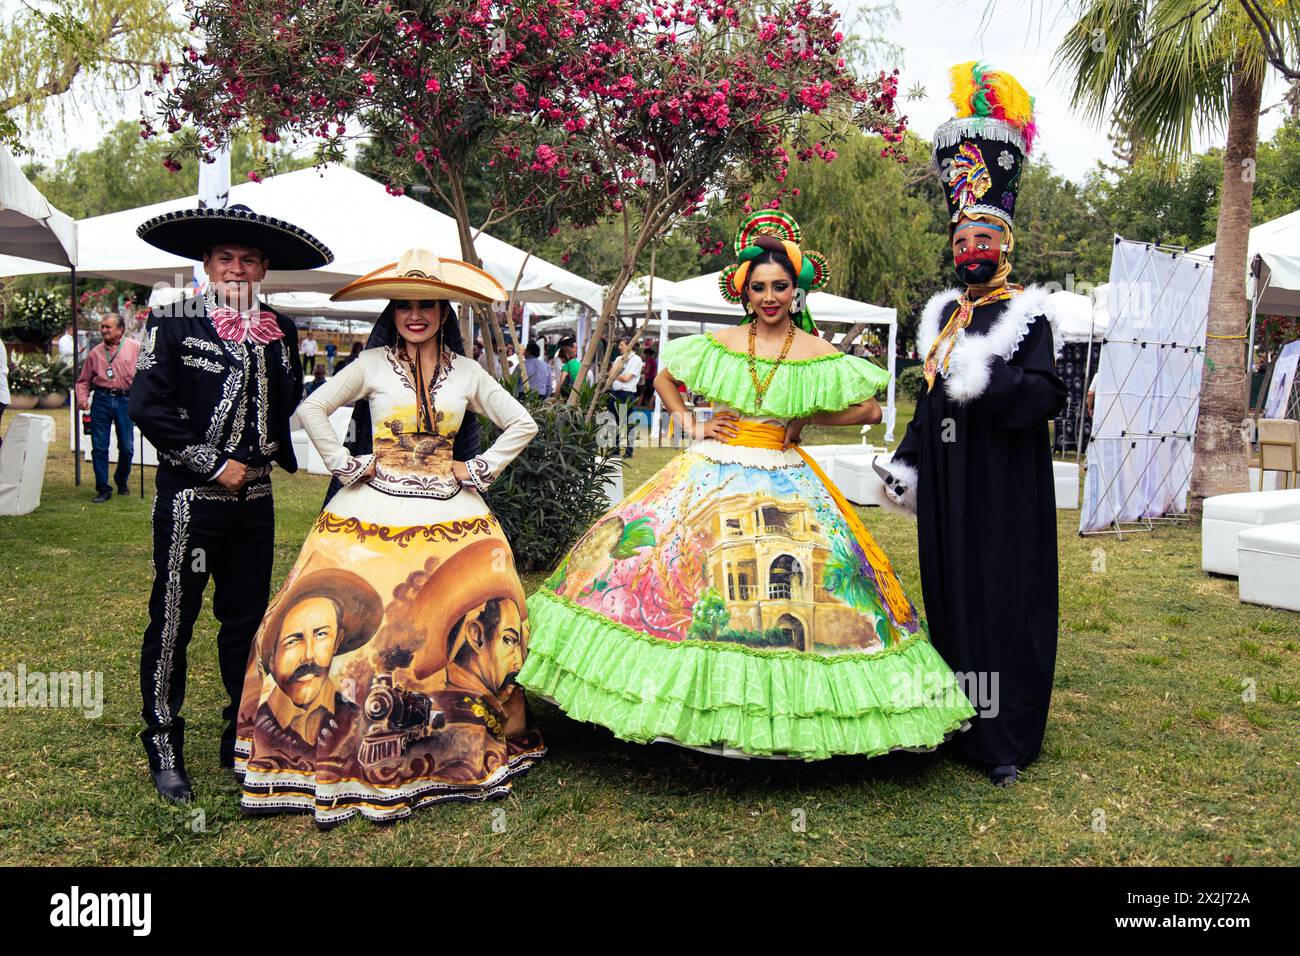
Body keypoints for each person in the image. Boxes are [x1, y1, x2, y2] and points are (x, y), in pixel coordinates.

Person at [517, 211, 975, 761]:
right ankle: (687, 706)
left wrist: (805, 422)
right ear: (744, 290)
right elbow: (664, 378)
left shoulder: (814, 349)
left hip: (786, 473)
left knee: (797, 583)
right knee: (689, 577)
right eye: (758, 287)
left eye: (780, 286)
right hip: (714, 468)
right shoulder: (723, 341)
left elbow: (870, 407)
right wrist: (691, 424)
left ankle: (778, 715)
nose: (769, 297)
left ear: (797, 289)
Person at [234, 248, 544, 827]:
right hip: (371, 503)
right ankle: (353, 746)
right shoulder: (373, 364)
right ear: (394, 311)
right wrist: (348, 465)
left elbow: (523, 423)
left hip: (452, 510)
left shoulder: (469, 373)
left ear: (443, 310)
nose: (417, 315)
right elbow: (312, 408)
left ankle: (438, 748)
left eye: (427, 304)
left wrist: (475, 469)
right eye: (406, 305)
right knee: (379, 642)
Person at [876, 63, 1066, 787]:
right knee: (952, 591)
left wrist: (987, 377)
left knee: (1002, 596)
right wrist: (907, 462)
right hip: (951, 490)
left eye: (982, 231)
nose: (968, 245)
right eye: (960, 233)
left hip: (1004, 487)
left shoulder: (1030, 314)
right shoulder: (943, 319)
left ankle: (1005, 739)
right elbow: (931, 406)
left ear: (1007, 239)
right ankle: (958, 723)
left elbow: (1045, 398)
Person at [129, 203, 331, 804]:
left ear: (263, 267)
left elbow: (289, 396)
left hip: (258, 500)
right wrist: (213, 463)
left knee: (246, 622)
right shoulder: (170, 323)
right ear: (208, 266)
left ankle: (239, 735)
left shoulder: (282, 329)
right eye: (225, 259)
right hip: (192, 499)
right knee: (174, 618)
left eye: (248, 260)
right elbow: (147, 407)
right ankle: (163, 741)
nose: (237, 270)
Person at [75, 313, 141, 502]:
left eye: (108, 327)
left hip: (125, 400)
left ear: (120, 330)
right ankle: (103, 489)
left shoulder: (135, 348)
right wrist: (82, 398)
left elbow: (147, 373)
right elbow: (83, 381)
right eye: (102, 326)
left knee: (127, 447)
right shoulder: (95, 352)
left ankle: (121, 480)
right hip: (101, 399)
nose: (103, 330)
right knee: (99, 446)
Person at [607, 334, 642, 458]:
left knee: (626, 423)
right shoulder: (618, 358)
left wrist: (614, 373)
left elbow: (626, 378)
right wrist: (617, 368)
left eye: (621, 345)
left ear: (629, 346)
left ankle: (629, 451)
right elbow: (611, 375)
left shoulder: (636, 360)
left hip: (626, 394)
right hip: (615, 392)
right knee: (614, 422)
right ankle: (615, 449)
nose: (619, 347)